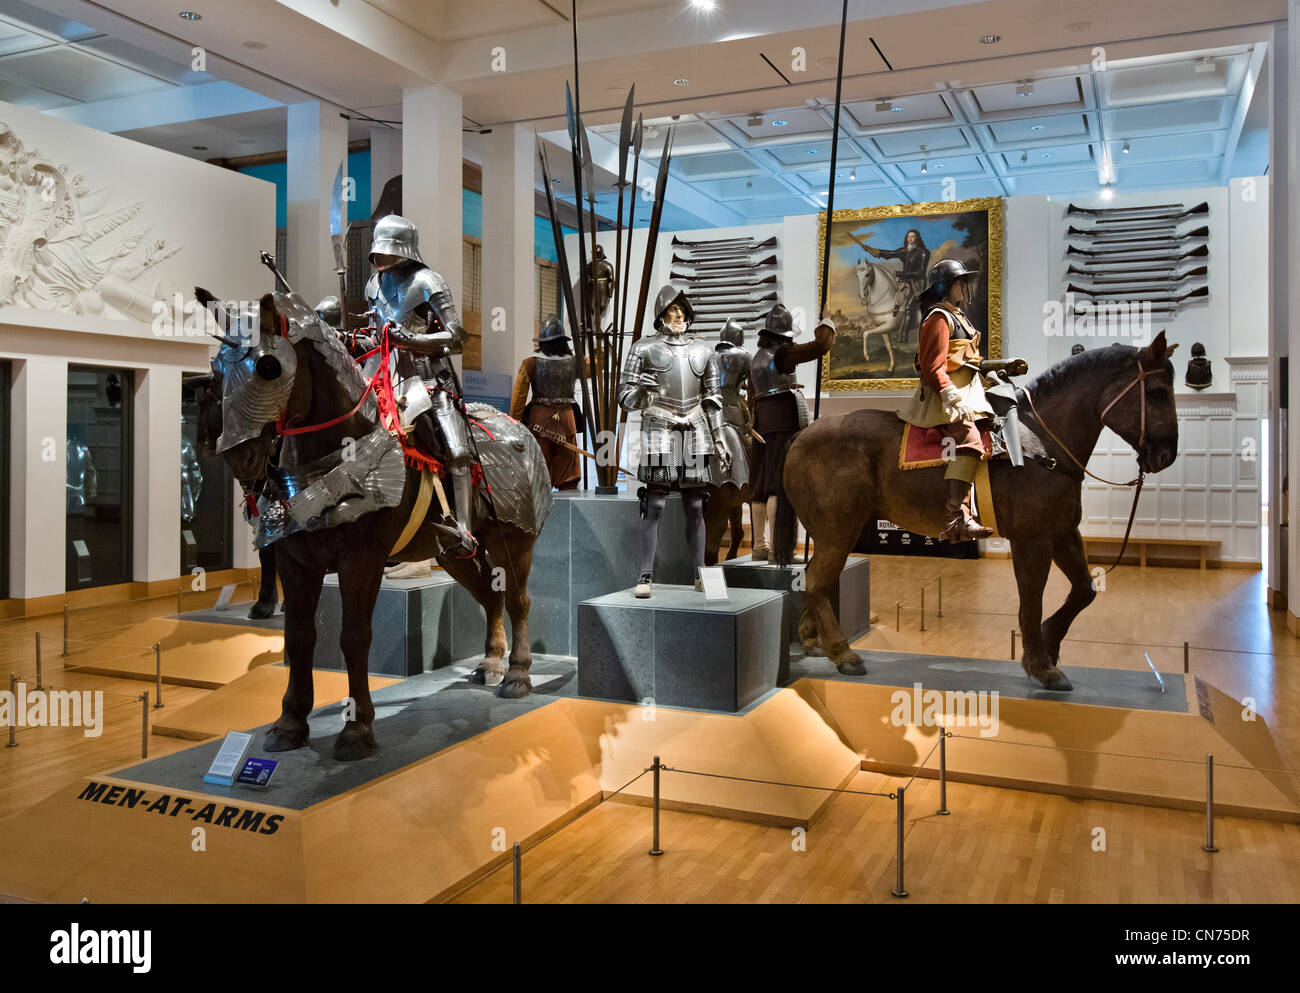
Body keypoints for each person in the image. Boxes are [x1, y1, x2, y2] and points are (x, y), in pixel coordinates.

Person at [363, 214, 477, 562]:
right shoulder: (373, 285)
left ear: (403, 250)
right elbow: (374, 330)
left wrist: (413, 339)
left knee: (457, 451)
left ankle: (464, 528)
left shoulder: (428, 281)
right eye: (378, 252)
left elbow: (457, 337)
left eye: (388, 251)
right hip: (384, 376)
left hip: (430, 380)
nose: (381, 259)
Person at [618, 285, 731, 597]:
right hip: (658, 426)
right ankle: (644, 576)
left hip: (695, 427)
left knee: (696, 504)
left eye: (681, 310)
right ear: (660, 315)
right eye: (671, 310)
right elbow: (625, 397)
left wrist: (719, 439)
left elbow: (713, 398)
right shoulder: (643, 348)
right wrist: (642, 392)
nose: (677, 315)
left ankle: (700, 575)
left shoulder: (704, 350)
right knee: (654, 503)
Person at [897, 259, 999, 541]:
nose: (964, 287)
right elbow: (932, 367)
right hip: (945, 398)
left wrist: (1002, 365)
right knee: (969, 441)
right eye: (960, 282)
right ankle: (955, 518)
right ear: (946, 286)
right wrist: (950, 394)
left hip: (971, 392)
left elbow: (966, 359)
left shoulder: (958, 317)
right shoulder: (938, 318)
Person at [748, 305, 835, 561]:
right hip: (782, 421)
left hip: (762, 420)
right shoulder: (782, 355)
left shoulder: (758, 356)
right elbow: (820, 347)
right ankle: (778, 550)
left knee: (761, 487)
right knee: (778, 485)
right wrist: (827, 321)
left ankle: (759, 547)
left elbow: (752, 394)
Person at [510, 314, 583, 489]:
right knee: (568, 474)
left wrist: (513, 423)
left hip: (539, 420)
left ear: (542, 342)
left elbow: (519, 398)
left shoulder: (530, 363)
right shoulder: (576, 363)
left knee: (539, 472)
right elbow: (596, 366)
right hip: (567, 420)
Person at [864, 228, 930, 342]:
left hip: (918, 284)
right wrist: (874, 251)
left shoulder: (923, 253)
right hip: (906, 283)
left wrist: (900, 273)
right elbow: (890, 254)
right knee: (896, 300)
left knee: (909, 306)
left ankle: (903, 336)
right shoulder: (905, 251)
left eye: (912, 236)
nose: (910, 239)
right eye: (908, 237)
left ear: (917, 238)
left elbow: (920, 273)